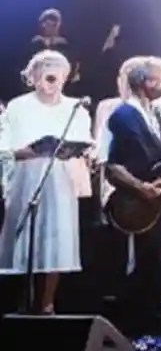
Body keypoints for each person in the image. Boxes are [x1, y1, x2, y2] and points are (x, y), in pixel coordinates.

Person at [0, 50, 93, 313]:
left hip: (60, 179)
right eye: (44, 75)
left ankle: (47, 302)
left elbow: (83, 143)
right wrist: (31, 151)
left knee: (55, 238)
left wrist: (75, 150)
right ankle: (21, 299)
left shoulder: (75, 108)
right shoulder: (18, 106)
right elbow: (4, 147)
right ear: (33, 77)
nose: (50, 82)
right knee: (25, 237)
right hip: (26, 178)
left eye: (55, 76)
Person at [102, 56, 161, 347]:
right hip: (133, 207)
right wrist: (143, 188)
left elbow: (154, 160)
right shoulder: (123, 115)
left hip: (154, 205)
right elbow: (113, 166)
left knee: (151, 269)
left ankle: (144, 334)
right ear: (147, 82)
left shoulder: (153, 114)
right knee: (133, 271)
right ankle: (128, 337)